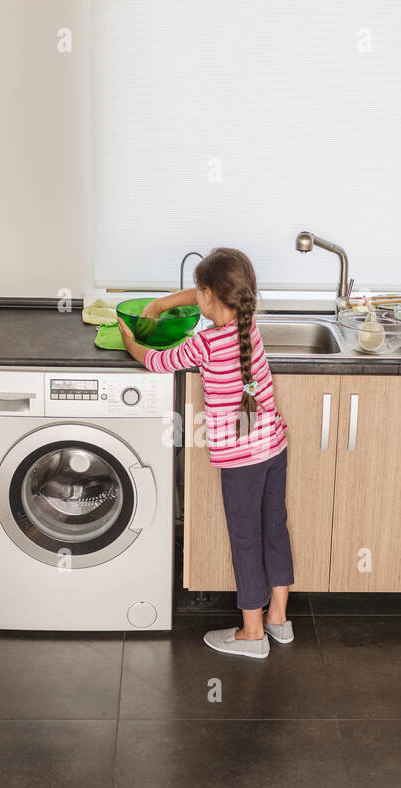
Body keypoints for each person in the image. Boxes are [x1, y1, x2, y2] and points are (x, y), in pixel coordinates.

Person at [117, 247, 293, 660]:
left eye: (200, 292)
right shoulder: (251, 327)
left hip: (241, 461)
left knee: (246, 540)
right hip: (274, 447)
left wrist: (130, 342)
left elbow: (158, 362)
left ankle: (251, 634)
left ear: (212, 294)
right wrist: (162, 303)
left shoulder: (205, 344)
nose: (195, 297)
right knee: (274, 527)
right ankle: (277, 619)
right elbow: (202, 295)